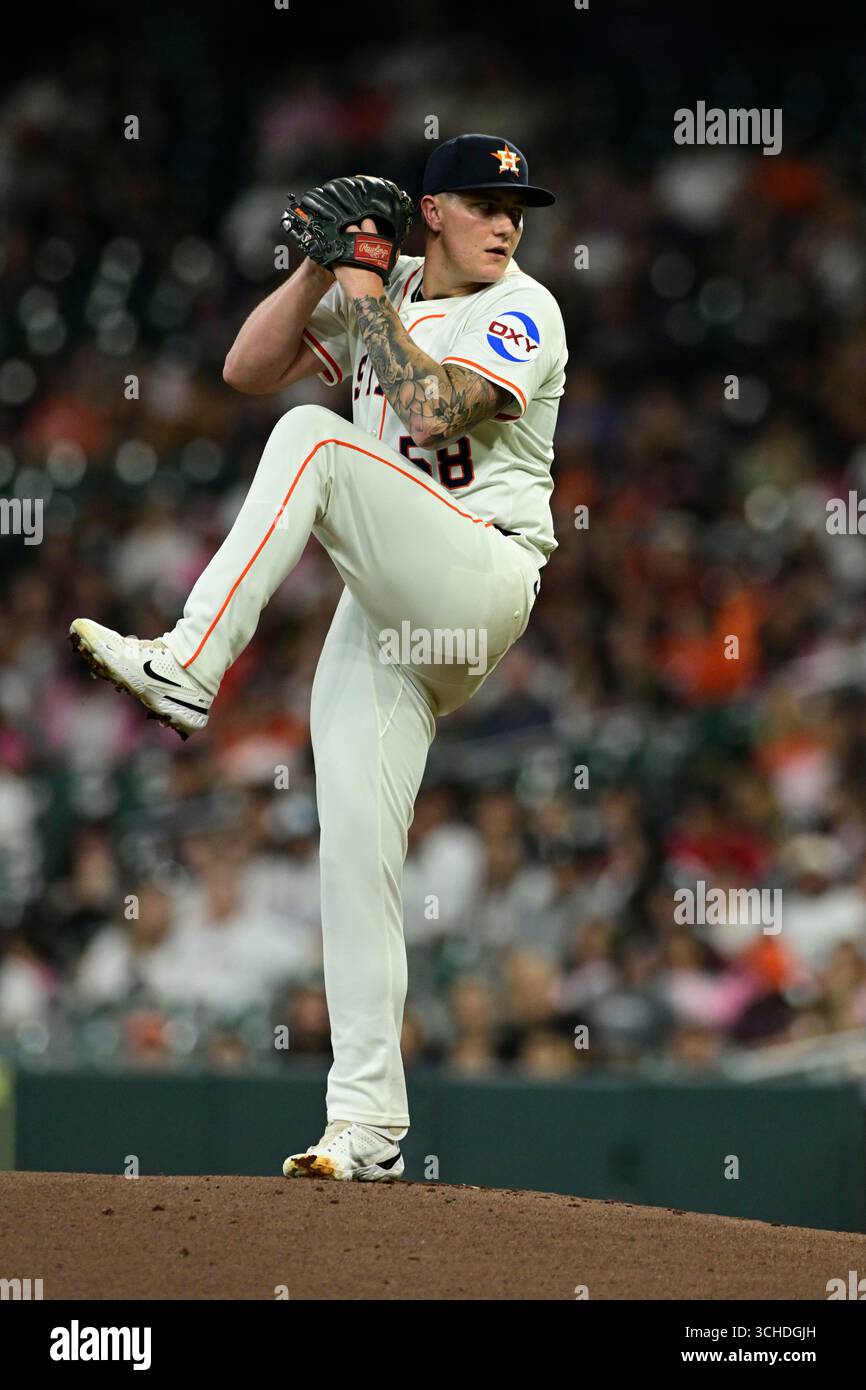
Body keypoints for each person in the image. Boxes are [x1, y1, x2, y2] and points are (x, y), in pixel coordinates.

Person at [69, 133, 568, 1181]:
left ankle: (191, 662)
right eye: (483, 201)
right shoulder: (376, 293)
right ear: (429, 211)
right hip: (388, 609)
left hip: (477, 573)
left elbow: (431, 407)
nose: (506, 220)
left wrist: (363, 288)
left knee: (313, 438)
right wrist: (314, 269)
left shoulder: (520, 306)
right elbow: (243, 367)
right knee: (352, 855)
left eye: (515, 204)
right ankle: (366, 1128)